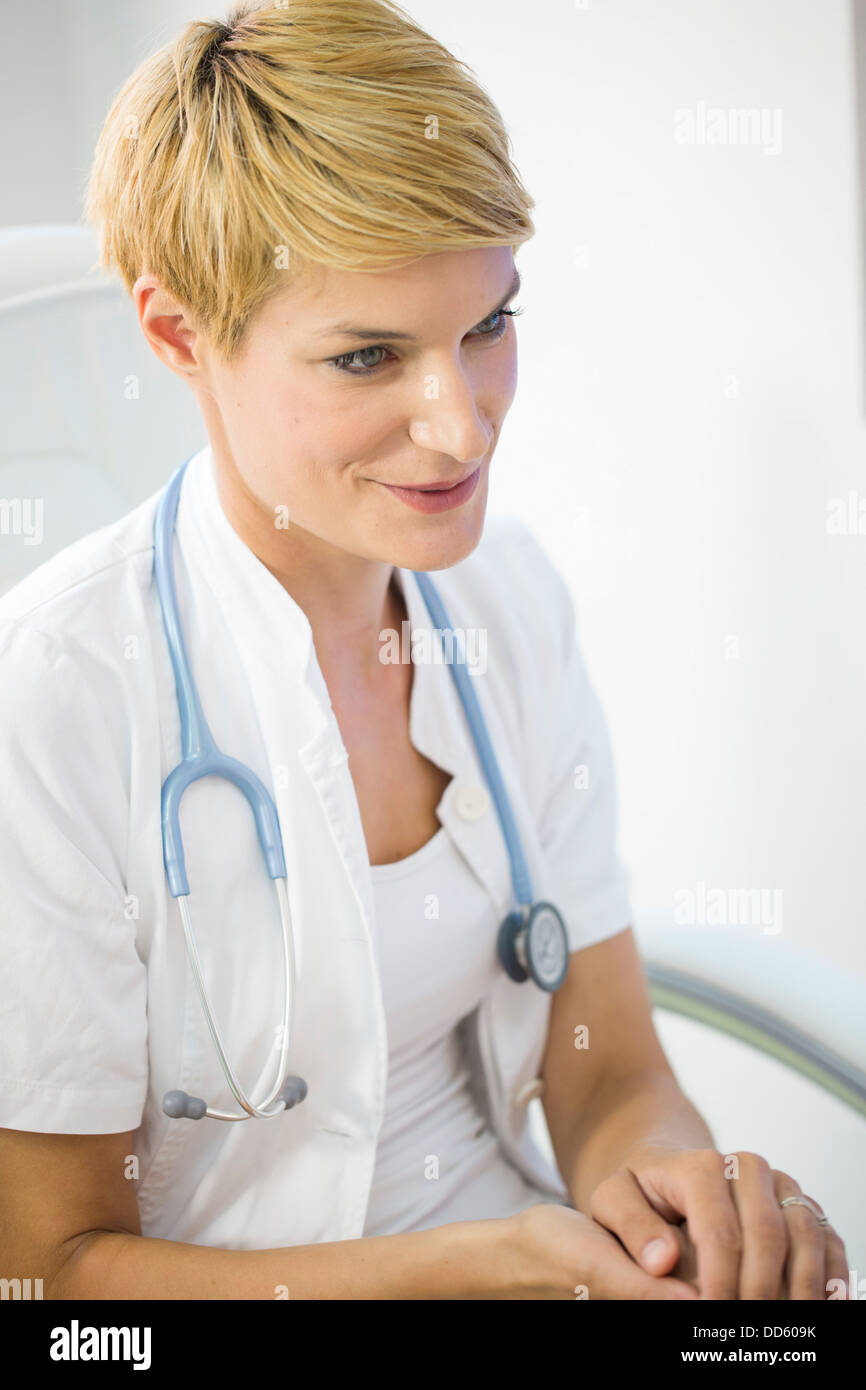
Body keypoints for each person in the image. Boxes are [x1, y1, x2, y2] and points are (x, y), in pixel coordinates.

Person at [0, 0, 847, 1300]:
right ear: (177, 336)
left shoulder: (506, 601)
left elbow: (610, 1076)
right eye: (366, 356)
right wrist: (464, 1271)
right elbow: (48, 1276)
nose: (462, 428)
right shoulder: (54, 696)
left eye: (486, 326)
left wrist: (683, 1216)